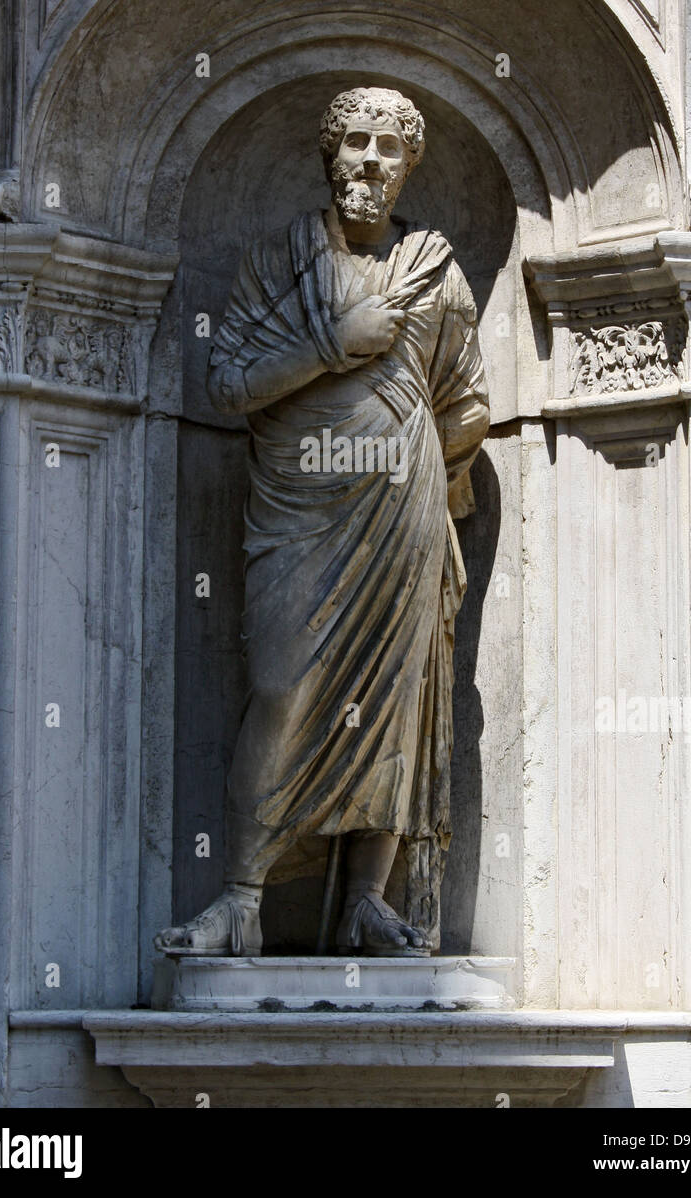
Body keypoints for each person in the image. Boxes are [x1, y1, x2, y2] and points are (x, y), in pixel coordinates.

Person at [155, 87, 490, 956]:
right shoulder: (279, 261)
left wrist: (412, 461)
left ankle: (366, 902)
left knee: (393, 700)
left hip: (400, 513)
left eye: (390, 146)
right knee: (281, 686)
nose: (371, 159)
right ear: (329, 153)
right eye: (356, 142)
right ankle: (240, 899)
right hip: (298, 504)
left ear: (408, 164)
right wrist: (334, 344)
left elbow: (467, 404)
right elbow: (228, 386)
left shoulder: (436, 271)